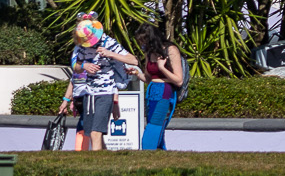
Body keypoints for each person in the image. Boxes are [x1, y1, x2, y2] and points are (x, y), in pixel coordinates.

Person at [56, 12, 143, 151]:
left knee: (97, 132)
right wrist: (84, 66)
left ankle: (94, 164)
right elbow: (75, 67)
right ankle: (106, 160)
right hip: (89, 93)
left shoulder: (108, 42)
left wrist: (111, 54)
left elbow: (133, 60)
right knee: (92, 133)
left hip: (105, 92)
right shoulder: (81, 45)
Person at [141, 35, 188, 150]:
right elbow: (149, 78)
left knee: (155, 125)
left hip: (164, 92)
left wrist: (162, 68)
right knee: (153, 123)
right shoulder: (149, 52)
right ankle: (159, 151)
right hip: (152, 91)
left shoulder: (170, 50)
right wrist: (136, 73)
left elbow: (179, 80)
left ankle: (147, 150)